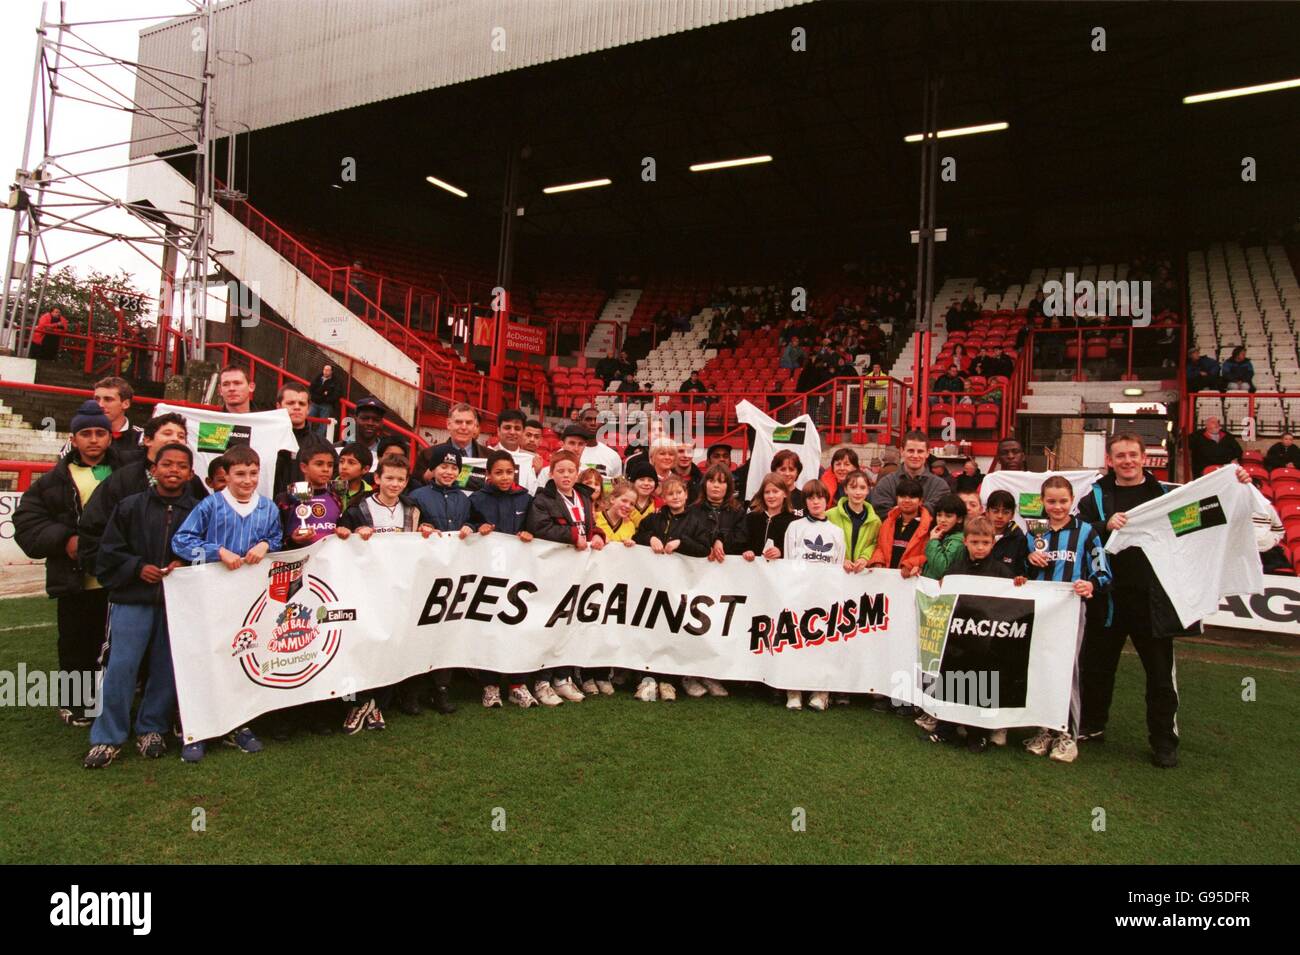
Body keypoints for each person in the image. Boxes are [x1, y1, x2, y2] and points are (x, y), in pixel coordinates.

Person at [1074, 433, 1193, 768]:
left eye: (1132, 455)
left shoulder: (1166, 495)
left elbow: (1204, 514)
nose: (1126, 461)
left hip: (1153, 602)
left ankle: (1163, 742)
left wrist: (1238, 481)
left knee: (1159, 676)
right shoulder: (1096, 496)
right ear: (1109, 461)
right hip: (1107, 600)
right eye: (1119, 456)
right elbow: (1077, 530)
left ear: (1144, 458)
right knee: (1097, 668)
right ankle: (1092, 725)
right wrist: (1103, 524)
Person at [82, 443, 199, 768]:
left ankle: (152, 729)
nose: (173, 470)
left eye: (181, 466)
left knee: (166, 666)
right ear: (153, 470)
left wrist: (183, 563)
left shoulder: (199, 510)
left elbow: (207, 551)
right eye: (167, 464)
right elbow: (108, 551)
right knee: (121, 666)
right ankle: (107, 736)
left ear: (190, 474)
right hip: (133, 598)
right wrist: (137, 567)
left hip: (176, 602)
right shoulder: (129, 507)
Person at [13, 400, 125, 727]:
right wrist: (65, 539)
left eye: (100, 433)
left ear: (110, 437)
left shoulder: (126, 474)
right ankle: (76, 702)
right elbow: (28, 521)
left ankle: (117, 700)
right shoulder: (54, 480)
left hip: (118, 577)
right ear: (73, 439)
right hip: (75, 579)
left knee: (120, 645)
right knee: (76, 642)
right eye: (85, 433)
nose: (93, 440)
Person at [170, 443, 280, 761]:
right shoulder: (210, 505)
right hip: (209, 597)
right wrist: (217, 551)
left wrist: (264, 544)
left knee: (242, 656)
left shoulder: (268, 508)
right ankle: (196, 729)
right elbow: (182, 540)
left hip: (248, 600)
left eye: (253, 473)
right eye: (240, 474)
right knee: (205, 658)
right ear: (227, 475)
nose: (247, 480)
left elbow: (276, 538)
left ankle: (239, 725)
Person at [335, 454, 433, 731]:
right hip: (365, 589)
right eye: (389, 477)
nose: (395, 483)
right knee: (365, 645)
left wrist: (427, 530)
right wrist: (352, 533)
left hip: (401, 589)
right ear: (376, 479)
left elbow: (428, 539)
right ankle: (359, 702)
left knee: (392, 645)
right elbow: (340, 535)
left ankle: (376, 705)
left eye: (400, 479)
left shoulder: (412, 509)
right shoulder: (359, 507)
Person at [1021, 476, 1112, 765]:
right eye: (1051, 501)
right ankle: (1044, 730)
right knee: (1039, 665)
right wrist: (1027, 561)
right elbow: (1023, 568)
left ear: (1072, 501)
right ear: (1042, 502)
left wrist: (1091, 585)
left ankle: (1068, 735)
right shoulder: (1035, 529)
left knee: (1067, 669)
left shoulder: (1085, 531)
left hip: (1070, 609)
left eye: (1062, 501)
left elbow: (1103, 571)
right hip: (1040, 608)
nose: (1057, 506)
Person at [923, 516, 1024, 752]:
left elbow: (1013, 598)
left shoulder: (1000, 571)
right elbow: (943, 590)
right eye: (975, 542)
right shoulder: (957, 569)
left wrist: (1019, 583)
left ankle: (977, 734)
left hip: (985, 641)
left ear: (992, 543)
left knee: (982, 686)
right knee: (952, 681)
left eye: (985, 543)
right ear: (966, 542)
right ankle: (945, 728)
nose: (980, 547)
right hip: (958, 640)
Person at [463, 450, 545, 708]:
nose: (504, 477)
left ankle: (517, 684)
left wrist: (529, 533)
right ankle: (490, 685)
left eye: (509, 472)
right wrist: (478, 529)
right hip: (489, 573)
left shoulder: (525, 498)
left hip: (519, 574)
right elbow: (467, 526)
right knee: (489, 628)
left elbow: (535, 527)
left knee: (517, 626)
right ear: (488, 474)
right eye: (498, 472)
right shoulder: (477, 499)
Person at [526, 449, 605, 704]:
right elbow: (539, 527)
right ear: (551, 473)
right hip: (553, 570)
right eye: (561, 471)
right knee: (550, 622)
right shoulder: (543, 498)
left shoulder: (584, 496)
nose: (566, 475)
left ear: (577, 471)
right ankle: (542, 680)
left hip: (579, 571)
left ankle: (562, 677)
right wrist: (572, 536)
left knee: (570, 622)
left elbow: (589, 526)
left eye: (571, 470)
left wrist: (597, 535)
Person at [782, 480, 847, 711]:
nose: (815, 501)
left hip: (826, 597)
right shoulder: (795, 527)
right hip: (799, 594)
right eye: (810, 498)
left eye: (820, 497)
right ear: (806, 501)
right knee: (796, 642)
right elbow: (789, 562)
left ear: (827, 499)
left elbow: (837, 566)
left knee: (823, 643)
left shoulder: (837, 532)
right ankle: (794, 690)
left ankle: (821, 692)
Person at [869, 431, 950, 513]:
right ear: (902, 451)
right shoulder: (886, 483)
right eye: (911, 451)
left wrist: (900, 512)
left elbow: (941, 513)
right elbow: (881, 511)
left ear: (927, 453)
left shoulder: (940, 486)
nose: (915, 456)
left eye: (920, 451)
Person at [827, 469, 881, 573]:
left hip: (860, 575)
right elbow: (826, 542)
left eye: (862, 488)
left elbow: (875, 544)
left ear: (868, 490)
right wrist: (840, 558)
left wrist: (865, 558)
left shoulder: (875, 521)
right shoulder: (830, 515)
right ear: (846, 490)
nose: (858, 492)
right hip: (836, 573)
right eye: (853, 487)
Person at [741, 473, 796, 562]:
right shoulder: (751, 518)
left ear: (785, 493)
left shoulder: (793, 522)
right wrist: (746, 551)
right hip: (753, 571)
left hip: (780, 573)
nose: (771, 496)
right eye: (767, 492)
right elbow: (741, 544)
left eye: (775, 491)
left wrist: (781, 552)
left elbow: (797, 550)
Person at [273, 381, 315, 496]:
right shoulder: (264, 439)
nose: (296, 407)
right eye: (290, 403)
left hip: (308, 509)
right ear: (278, 406)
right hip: (269, 508)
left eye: (302, 404)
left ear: (309, 408)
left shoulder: (322, 445)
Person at [921, 494, 967, 579]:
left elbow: (941, 570)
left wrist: (933, 541)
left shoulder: (958, 541)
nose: (942, 520)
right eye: (939, 515)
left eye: (948, 516)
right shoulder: (941, 536)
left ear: (959, 519)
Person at [985, 489, 1029, 577]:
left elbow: (1022, 571)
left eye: (1006, 512)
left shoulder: (1019, 538)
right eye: (995, 511)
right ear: (987, 512)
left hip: (1007, 588)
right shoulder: (978, 534)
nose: (1000, 516)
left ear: (1012, 515)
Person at [337, 442, 374, 513]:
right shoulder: (327, 488)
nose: (344, 467)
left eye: (351, 463)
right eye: (341, 461)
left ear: (365, 469)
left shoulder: (370, 494)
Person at [308, 363, 341, 434]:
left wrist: (325, 398)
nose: (326, 371)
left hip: (326, 405)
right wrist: (324, 393)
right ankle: (306, 435)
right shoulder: (318, 377)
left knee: (323, 424)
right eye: (324, 369)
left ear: (331, 372)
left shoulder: (335, 381)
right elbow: (311, 389)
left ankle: (318, 439)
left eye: (328, 370)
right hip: (315, 402)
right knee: (308, 418)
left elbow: (336, 394)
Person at [626, 458, 659, 527]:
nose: (646, 483)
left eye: (650, 480)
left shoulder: (660, 505)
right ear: (633, 482)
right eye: (641, 479)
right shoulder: (624, 503)